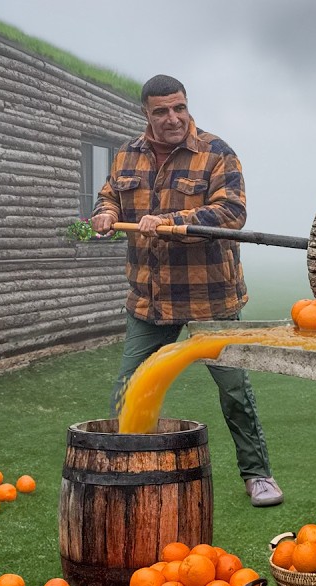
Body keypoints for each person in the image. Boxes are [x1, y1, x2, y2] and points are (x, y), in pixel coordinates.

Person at [91, 74, 283, 507]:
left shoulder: (217, 153)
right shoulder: (127, 155)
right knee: (130, 385)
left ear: (187, 105)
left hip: (209, 298)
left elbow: (231, 213)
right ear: (146, 113)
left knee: (233, 389)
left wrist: (171, 221)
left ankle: (258, 476)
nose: (173, 118)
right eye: (161, 111)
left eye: (179, 107)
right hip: (150, 298)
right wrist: (104, 213)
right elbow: (109, 198)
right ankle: (125, 471)